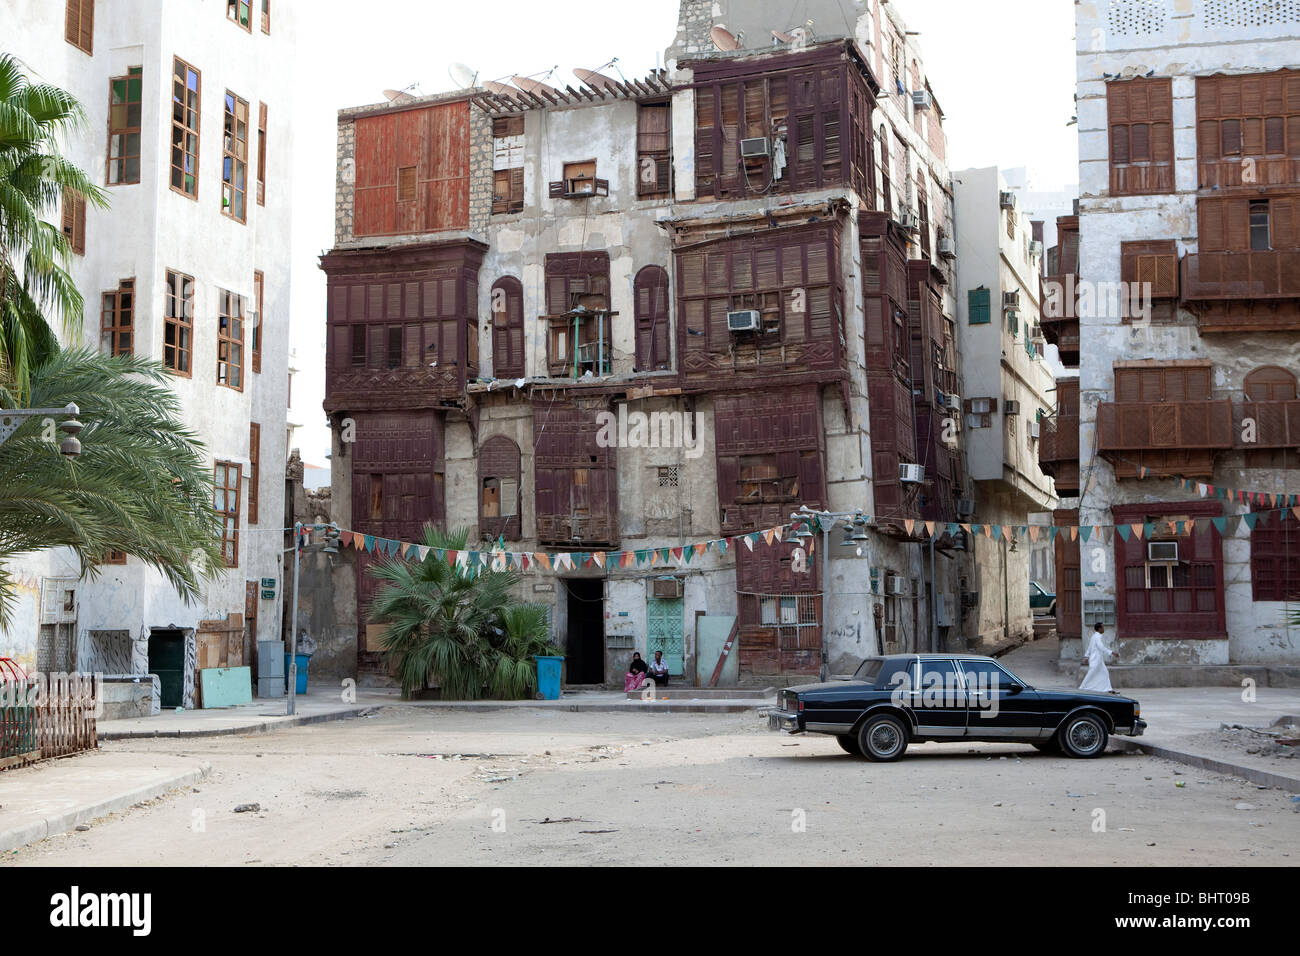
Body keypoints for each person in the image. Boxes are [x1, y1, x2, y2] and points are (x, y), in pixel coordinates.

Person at [1079, 623, 1116, 693]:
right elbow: (1101, 647)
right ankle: (1082, 688)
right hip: (1095, 659)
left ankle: (1108, 689)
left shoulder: (1094, 636)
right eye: (1102, 627)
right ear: (1099, 629)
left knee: (1105, 672)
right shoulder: (1097, 637)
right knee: (1091, 673)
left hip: (1098, 660)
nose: (1103, 629)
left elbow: (1089, 647)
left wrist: (1086, 656)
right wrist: (1112, 652)